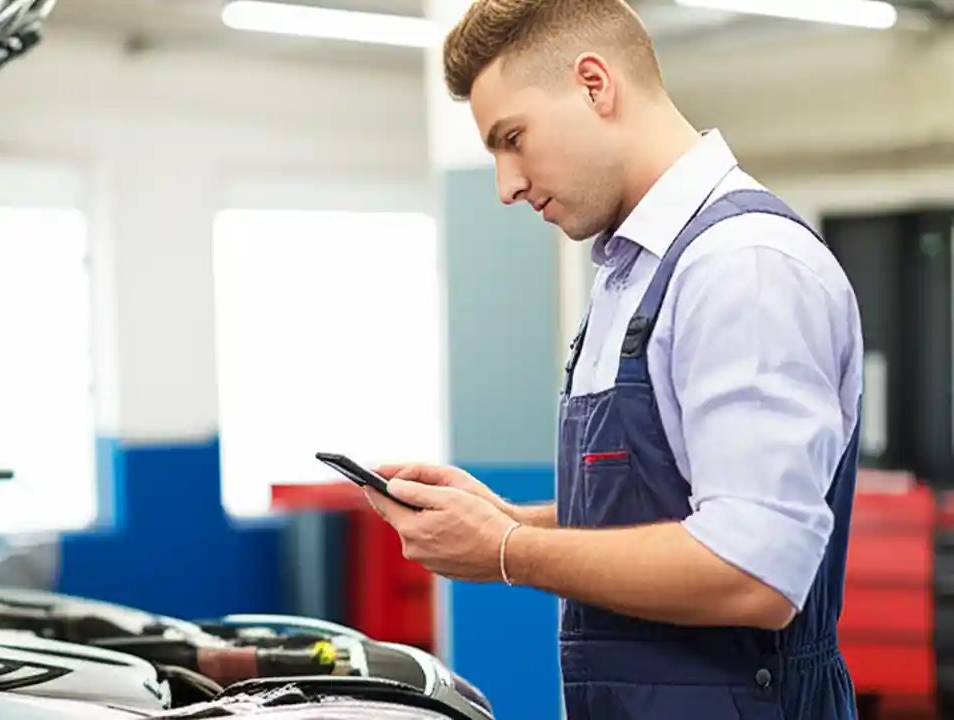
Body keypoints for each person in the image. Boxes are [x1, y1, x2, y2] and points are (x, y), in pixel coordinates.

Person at [364, 1, 865, 718]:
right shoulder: (632, 277)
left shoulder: (742, 267)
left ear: (594, 84)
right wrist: (507, 518)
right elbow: (665, 509)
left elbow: (755, 571)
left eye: (514, 139)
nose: (505, 185)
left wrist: (508, 550)